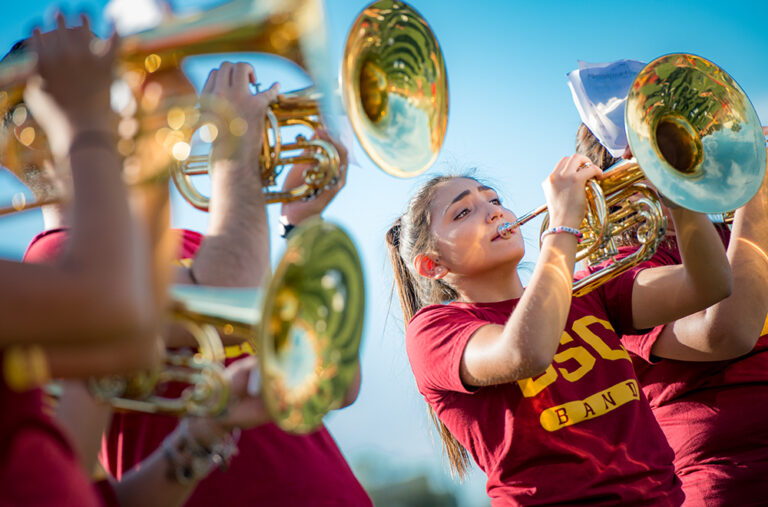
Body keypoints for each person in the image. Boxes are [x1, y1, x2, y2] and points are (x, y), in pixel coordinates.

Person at [385, 153, 733, 505]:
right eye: (463, 212)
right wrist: (564, 224)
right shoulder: (433, 329)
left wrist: (677, 194)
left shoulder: (586, 289)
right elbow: (526, 352)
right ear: (432, 265)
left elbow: (710, 284)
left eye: (495, 200)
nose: (494, 213)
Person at [0, 15, 161, 506]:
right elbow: (120, 310)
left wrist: (196, 447)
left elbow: (132, 342)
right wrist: (87, 122)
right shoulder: (55, 258)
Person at [576, 122, 768, 506]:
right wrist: (757, 188)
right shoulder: (617, 270)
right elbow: (727, 332)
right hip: (732, 478)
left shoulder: (737, 231)